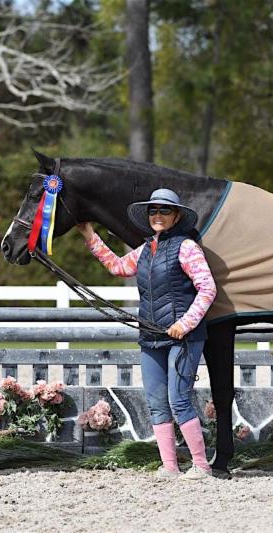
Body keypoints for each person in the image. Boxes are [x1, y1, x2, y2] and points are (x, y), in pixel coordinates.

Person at [77, 188, 217, 480]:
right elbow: (117, 266)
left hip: (184, 337)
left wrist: (186, 323)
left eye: (164, 211)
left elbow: (207, 288)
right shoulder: (145, 250)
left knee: (179, 399)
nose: (158, 216)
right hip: (151, 335)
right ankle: (169, 466)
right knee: (156, 402)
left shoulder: (187, 247)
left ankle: (201, 466)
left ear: (176, 216)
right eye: (153, 211)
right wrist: (89, 235)